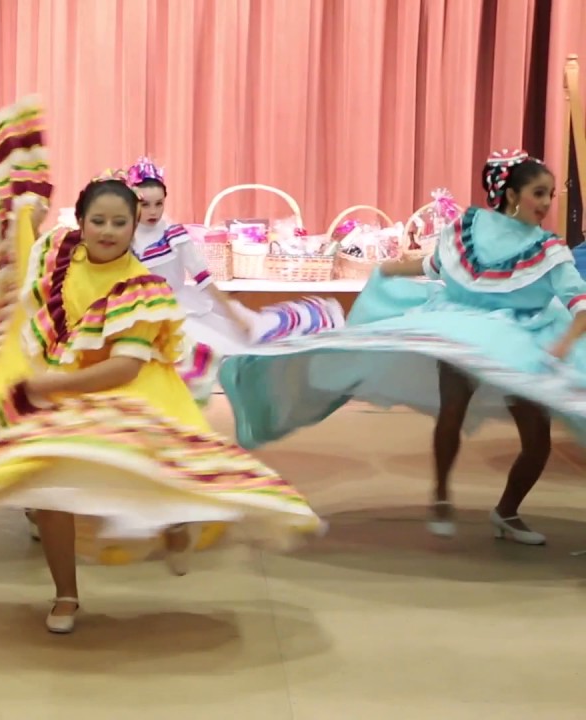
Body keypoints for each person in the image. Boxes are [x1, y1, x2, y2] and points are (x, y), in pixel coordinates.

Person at [0, 98, 322, 634]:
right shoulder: (60, 256)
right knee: (50, 484)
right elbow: (21, 246)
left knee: (155, 476)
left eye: (119, 222)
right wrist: (17, 197)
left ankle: (174, 525)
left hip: (131, 395)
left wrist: (51, 384)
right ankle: (66, 594)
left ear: (135, 225)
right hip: (64, 391)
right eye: (98, 219)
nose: (108, 229)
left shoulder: (141, 288)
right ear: (80, 221)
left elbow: (122, 370)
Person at [219, 149, 586, 545]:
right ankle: (442, 495)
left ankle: (507, 511)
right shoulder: (471, 227)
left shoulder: (549, 250)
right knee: (453, 411)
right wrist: (389, 269)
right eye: (539, 193)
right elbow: (437, 266)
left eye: (550, 194)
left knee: (537, 441)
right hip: (462, 329)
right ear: (513, 195)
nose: (548, 204)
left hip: (523, 341)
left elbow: (579, 305)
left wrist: (561, 347)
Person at [120, 158, 344, 400]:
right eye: (145, 204)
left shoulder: (174, 236)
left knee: (233, 348)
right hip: (142, 313)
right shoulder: (125, 236)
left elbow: (203, 278)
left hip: (180, 309)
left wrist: (235, 315)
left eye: (158, 204)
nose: (153, 211)